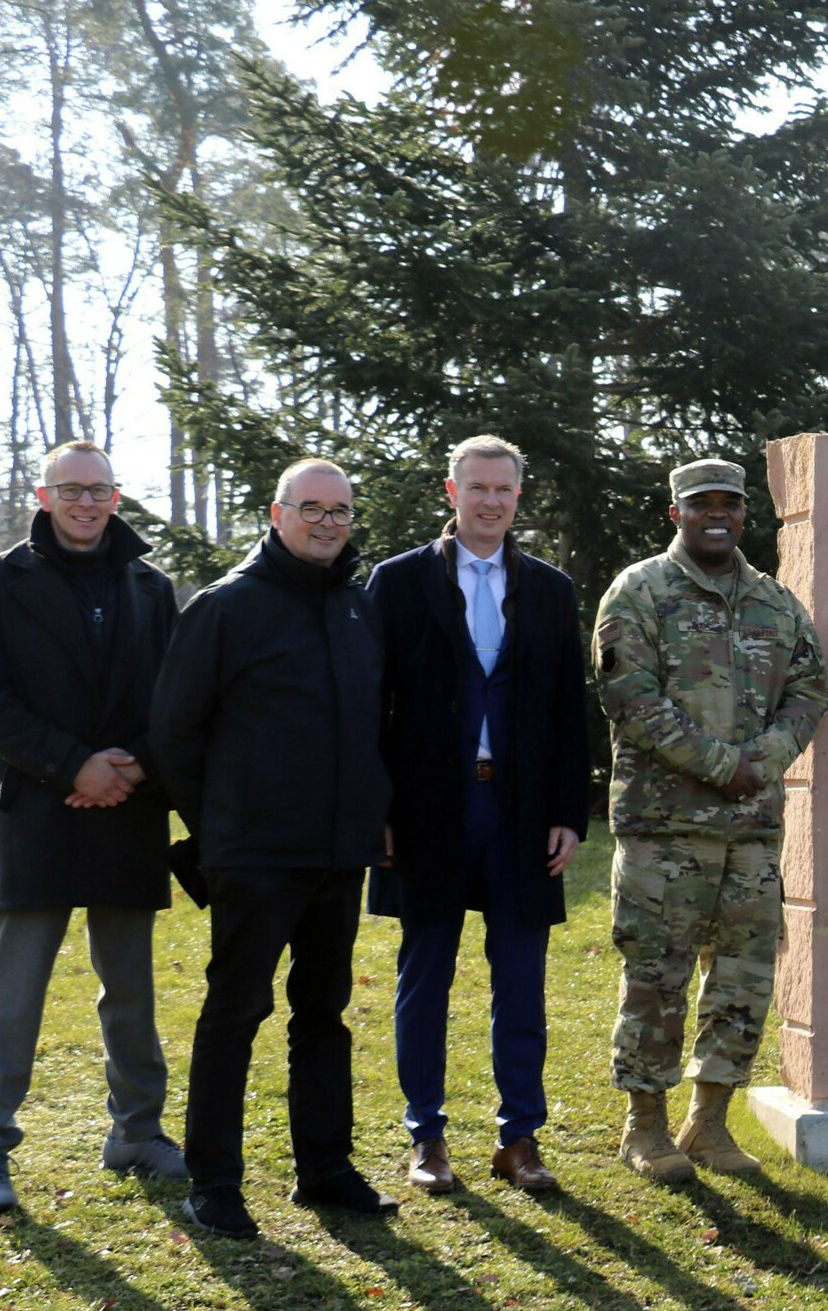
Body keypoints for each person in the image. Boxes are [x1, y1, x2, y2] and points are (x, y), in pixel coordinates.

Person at [150, 459, 394, 1239]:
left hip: (337, 851)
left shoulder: (357, 611)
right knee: (235, 1011)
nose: (328, 522)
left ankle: (326, 1167)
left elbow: (372, 730)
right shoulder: (227, 607)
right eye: (312, 507)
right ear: (276, 513)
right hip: (253, 854)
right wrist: (220, 831)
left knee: (323, 1011)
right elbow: (174, 732)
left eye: (342, 510)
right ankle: (214, 1181)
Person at [0, 442, 186, 1212]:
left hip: (129, 806)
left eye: (98, 489)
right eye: (71, 489)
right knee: (14, 988)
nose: (86, 502)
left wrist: (133, 769)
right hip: (38, 808)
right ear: (43, 495)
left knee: (130, 986)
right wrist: (74, 765)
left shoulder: (151, 587)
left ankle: (136, 1131)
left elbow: (174, 699)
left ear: (116, 498)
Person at [366, 436, 591, 1195]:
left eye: (504, 489)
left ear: (519, 496)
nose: (490, 501)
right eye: (477, 488)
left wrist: (568, 811)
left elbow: (569, 710)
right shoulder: (397, 582)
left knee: (521, 980)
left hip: (522, 812)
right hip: (429, 807)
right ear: (451, 491)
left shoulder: (552, 589)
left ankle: (519, 1137)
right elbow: (374, 705)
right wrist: (381, 808)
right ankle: (426, 1137)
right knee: (424, 974)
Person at [594, 458, 828, 1181]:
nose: (716, 514)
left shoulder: (775, 601)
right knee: (656, 980)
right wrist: (723, 764)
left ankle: (710, 1121)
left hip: (753, 833)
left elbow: (810, 685)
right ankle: (646, 1125)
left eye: (729, 503)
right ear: (677, 514)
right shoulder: (639, 591)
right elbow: (629, 696)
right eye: (702, 505)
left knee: (744, 979)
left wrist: (769, 752)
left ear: (743, 514)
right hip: (666, 830)